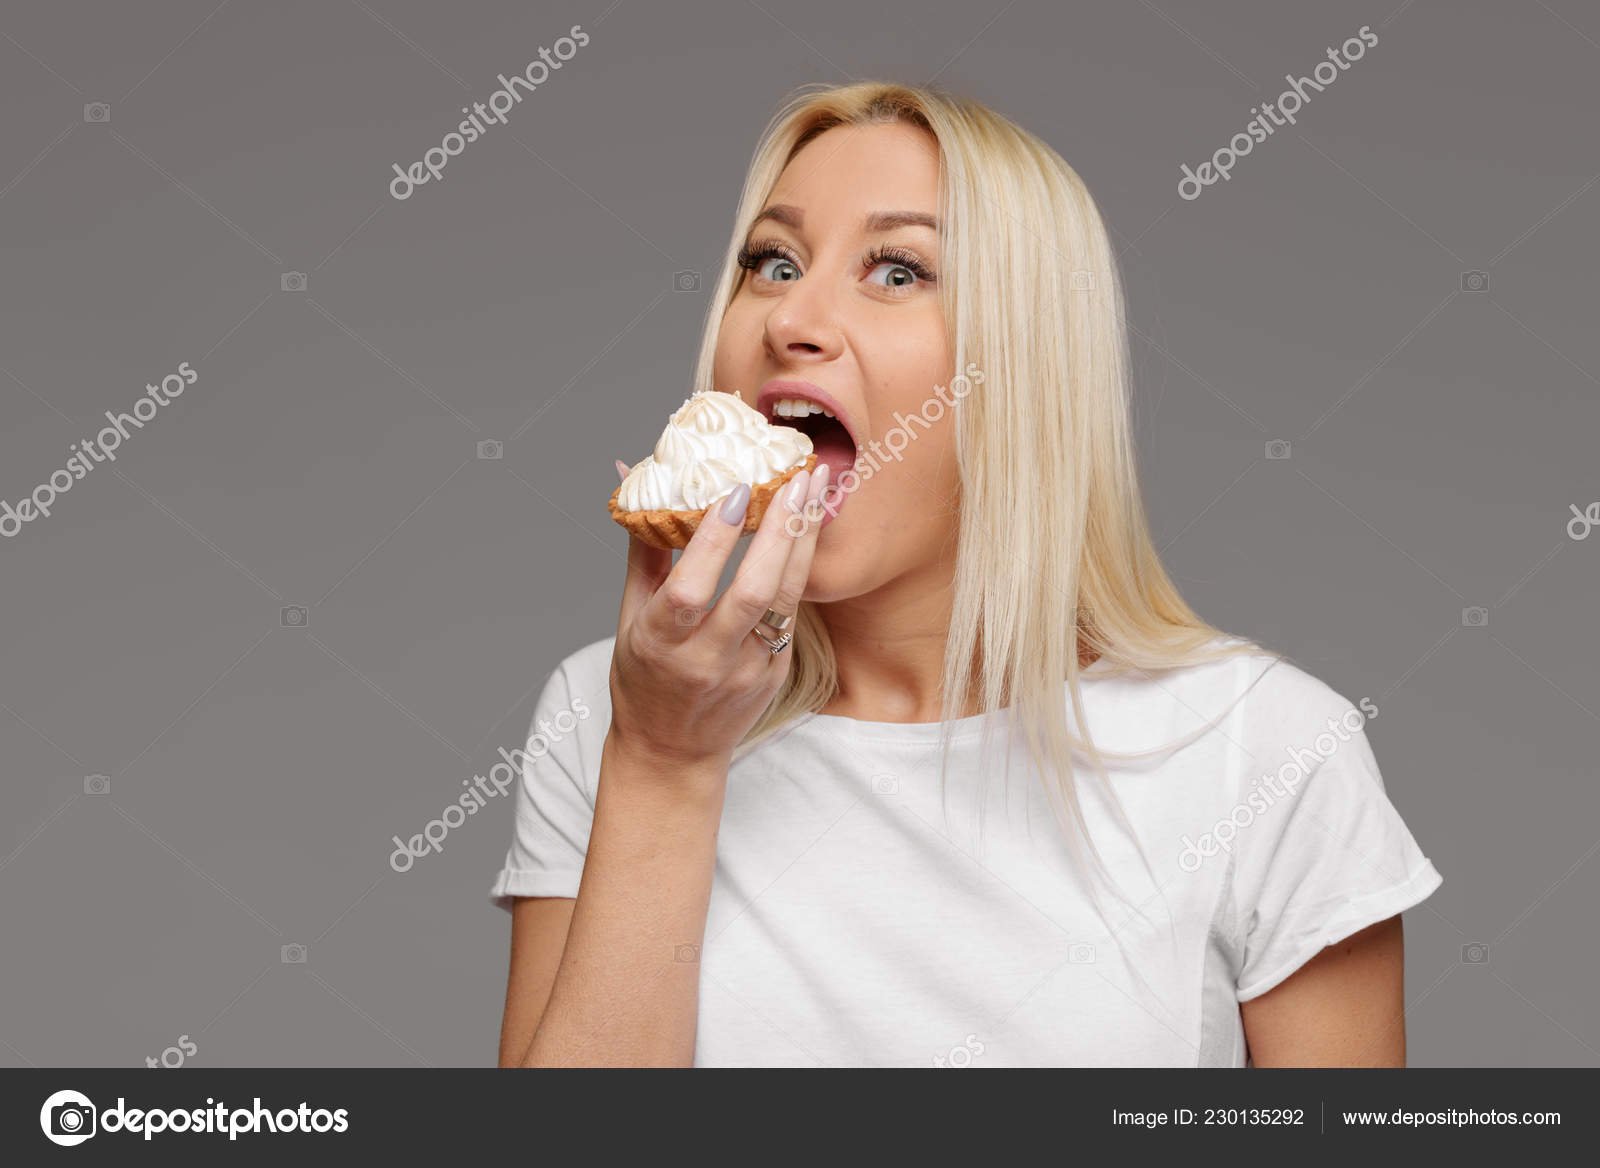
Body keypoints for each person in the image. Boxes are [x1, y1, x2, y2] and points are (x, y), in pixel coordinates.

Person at [491, 81, 1441, 1067]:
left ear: (1023, 364)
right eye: (773, 261)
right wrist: (662, 759)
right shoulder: (607, 713)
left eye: (898, 271)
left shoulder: (1262, 747)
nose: (791, 321)